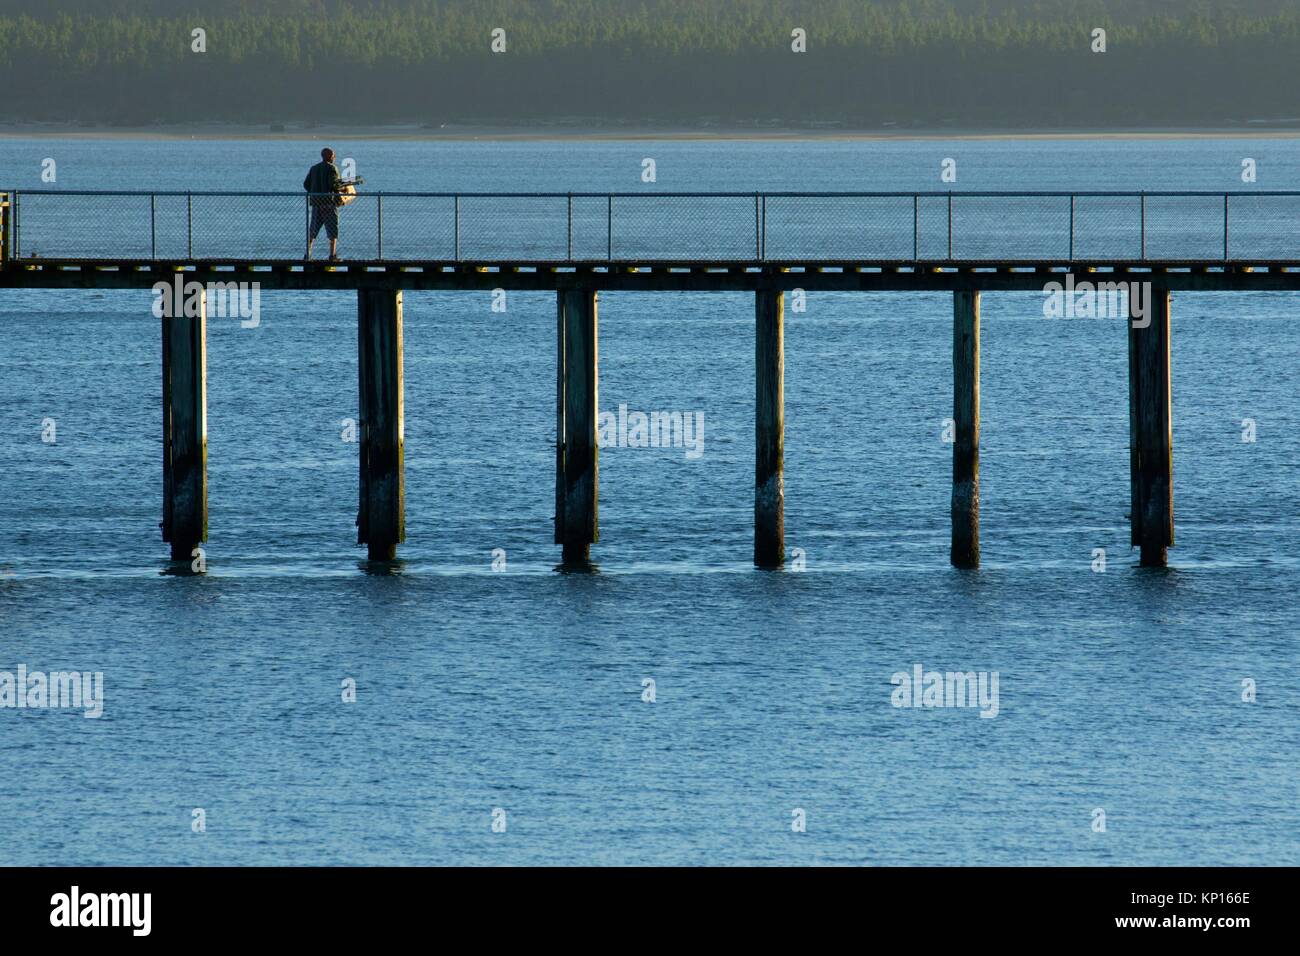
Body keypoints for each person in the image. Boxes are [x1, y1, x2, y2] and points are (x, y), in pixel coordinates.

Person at [303, 147, 343, 261]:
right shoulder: (332, 168)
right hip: (329, 203)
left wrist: (315, 191)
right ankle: (332, 255)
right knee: (332, 230)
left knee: (313, 231)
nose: (334, 158)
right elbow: (333, 185)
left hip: (316, 203)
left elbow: (306, 184)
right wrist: (341, 187)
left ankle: (308, 254)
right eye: (333, 156)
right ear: (330, 157)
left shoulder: (314, 168)